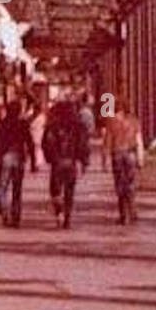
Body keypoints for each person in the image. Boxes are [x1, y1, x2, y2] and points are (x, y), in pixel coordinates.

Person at [42, 98, 90, 229]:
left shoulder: (52, 126)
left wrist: (49, 158)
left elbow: (46, 144)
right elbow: (83, 145)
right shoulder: (78, 126)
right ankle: (67, 217)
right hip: (71, 162)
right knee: (69, 191)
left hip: (57, 163)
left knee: (55, 191)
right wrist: (84, 161)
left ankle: (59, 212)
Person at [0, 96, 34, 227]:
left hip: (5, 156)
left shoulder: (1, 123)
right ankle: (16, 215)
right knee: (17, 189)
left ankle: (4, 210)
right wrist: (33, 161)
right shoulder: (23, 124)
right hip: (19, 157)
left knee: (2, 186)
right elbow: (30, 143)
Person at [102, 98, 145, 224]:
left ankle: (123, 215)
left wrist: (105, 160)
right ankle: (132, 211)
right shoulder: (133, 121)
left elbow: (108, 141)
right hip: (131, 154)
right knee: (131, 184)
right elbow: (139, 140)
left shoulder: (111, 121)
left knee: (120, 185)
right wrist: (140, 158)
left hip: (117, 154)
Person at [77, 93, 98, 170]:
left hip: (83, 133)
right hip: (85, 133)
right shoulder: (87, 112)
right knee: (85, 147)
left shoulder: (82, 111)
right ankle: (84, 161)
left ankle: (84, 161)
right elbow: (91, 124)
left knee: (84, 147)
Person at [28, 99, 47, 172]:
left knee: (37, 150)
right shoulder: (41, 116)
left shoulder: (39, 117)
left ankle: (36, 164)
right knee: (36, 150)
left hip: (37, 134)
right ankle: (35, 164)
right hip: (36, 134)